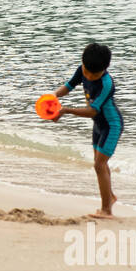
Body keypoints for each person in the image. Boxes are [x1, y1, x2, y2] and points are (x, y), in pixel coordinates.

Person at [50, 42, 123, 217]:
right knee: (99, 165)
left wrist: (66, 110)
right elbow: (68, 86)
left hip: (111, 126)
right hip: (98, 125)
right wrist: (54, 95)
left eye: (94, 74)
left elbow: (92, 111)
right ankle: (110, 197)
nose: (88, 77)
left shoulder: (106, 83)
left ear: (104, 69)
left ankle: (106, 210)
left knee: (99, 164)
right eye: (86, 71)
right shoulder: (82, 69)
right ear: (83, 64)